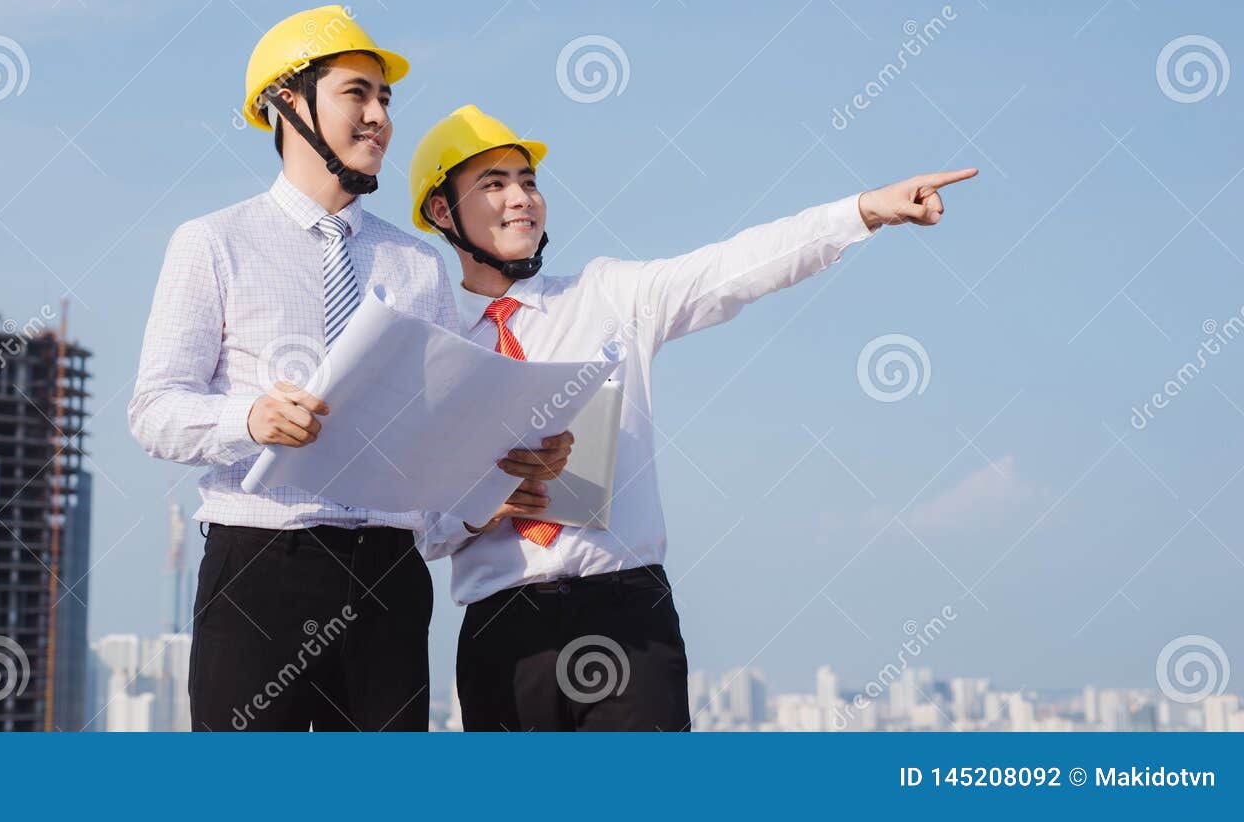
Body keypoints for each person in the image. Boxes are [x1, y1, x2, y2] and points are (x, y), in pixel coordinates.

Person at [410, 104, 977, 731]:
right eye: (494, 184)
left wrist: (864, 211)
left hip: (627, 617)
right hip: (504, 633)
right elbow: (418, 530)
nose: (522, 197)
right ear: (442, 211)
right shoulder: (431, 350)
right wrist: (490, 500)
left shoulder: (609, 296)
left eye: (528, 180)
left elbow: (734, 267)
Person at [128, 11, 571, 731]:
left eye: (385, 100)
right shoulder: (213, 243)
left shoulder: (415, 261)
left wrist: (491, 483)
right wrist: (248, 418)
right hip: (260, 567)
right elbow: (154, 410)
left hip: (389, 577)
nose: (378, 117)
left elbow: (431, 435)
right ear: (287, 103)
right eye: (356, 94)